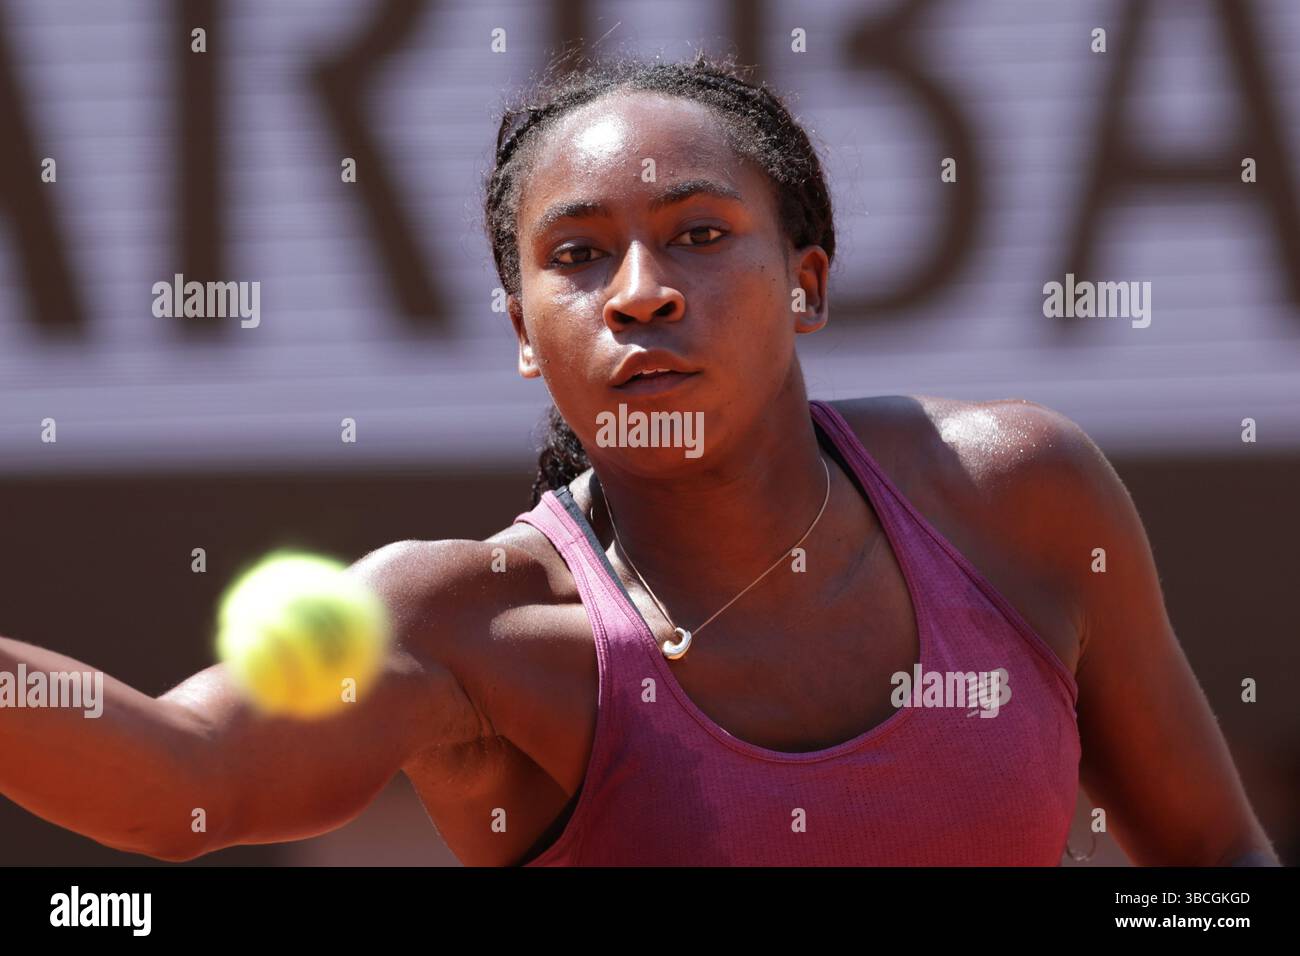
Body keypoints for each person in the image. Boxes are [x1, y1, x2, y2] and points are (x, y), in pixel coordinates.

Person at [0, 52, 1279, 867]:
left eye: (699, 232)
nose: (641, 293)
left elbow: (1211, 859)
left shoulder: (1020, 490)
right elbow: (179, 781)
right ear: (520, 332)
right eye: (576, 255)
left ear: (806, 284)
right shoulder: (462, 628)